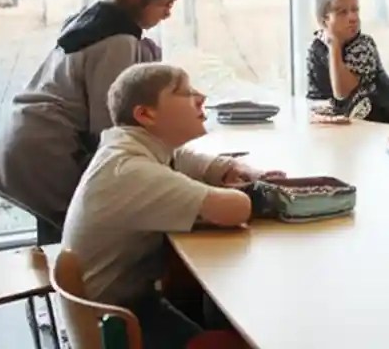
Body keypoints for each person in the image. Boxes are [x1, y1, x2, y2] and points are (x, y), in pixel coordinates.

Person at [62, 63, 281, 349]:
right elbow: (235, 209)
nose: (201, 97)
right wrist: (243, 193)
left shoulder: (127, 149)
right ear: (145, 114)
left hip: (118, 309)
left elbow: (183, 158)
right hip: (117, 328)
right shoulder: (131, 171)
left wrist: (230, 168)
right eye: (185, 92)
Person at [0, 0, 185, 244]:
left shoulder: (90, 21)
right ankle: (82, 289)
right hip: (49, 150)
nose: (168, 13)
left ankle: (65, 284)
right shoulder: (117, 41)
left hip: (27, 142)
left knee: (70, 239)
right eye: (166, 3)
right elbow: (111, 129)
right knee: (96, 234)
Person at [306, 0, 389, 124]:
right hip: (351, 123)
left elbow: (342, 92)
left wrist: (334, 46)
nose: (353, 18)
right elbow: (317, 98)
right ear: (325, 20)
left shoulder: (364, 45)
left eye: (355, 10)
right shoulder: (316, 49)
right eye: (342, 12)